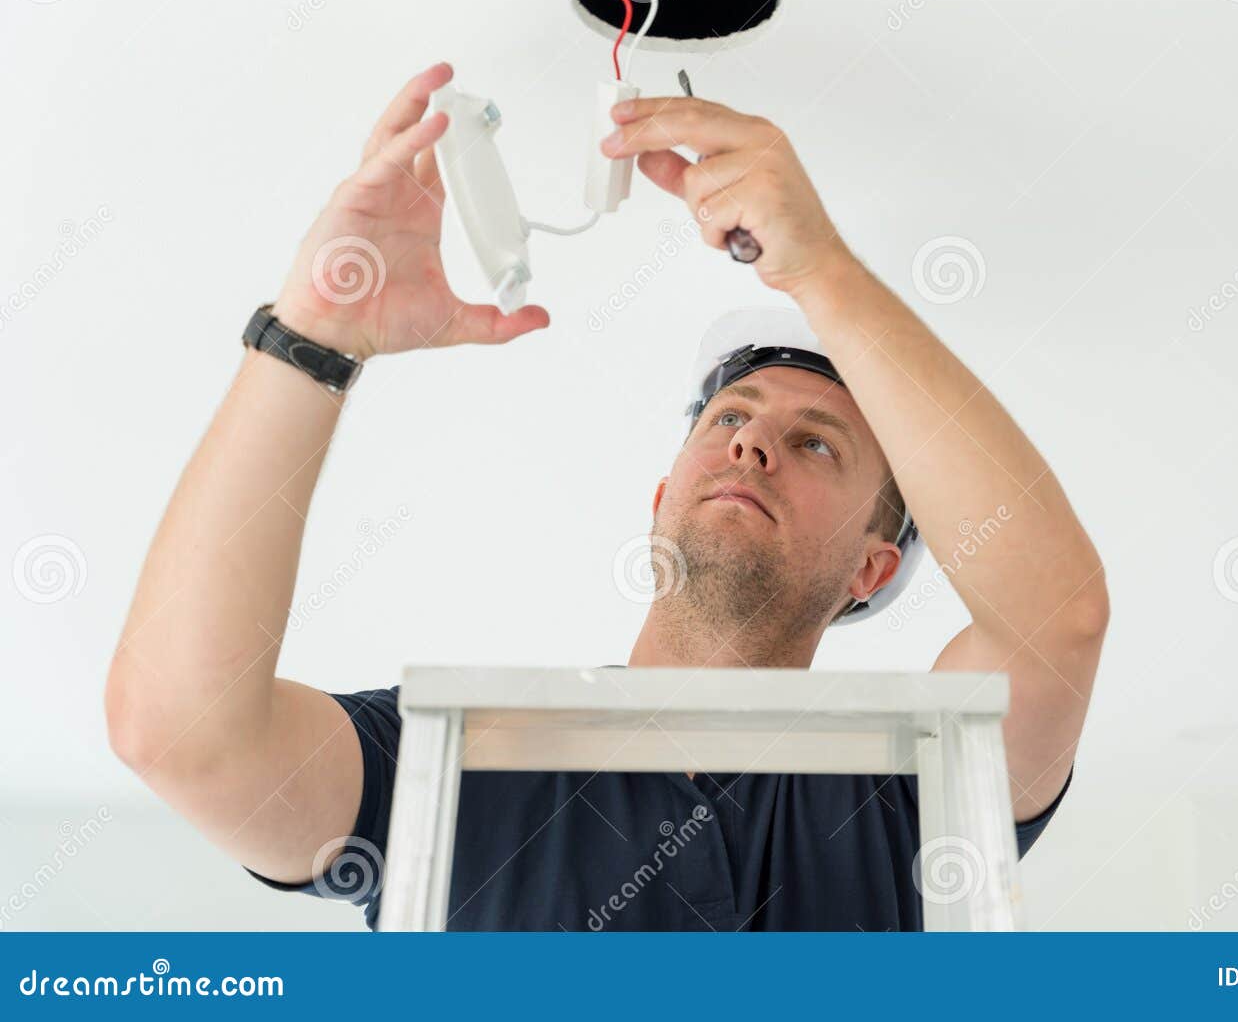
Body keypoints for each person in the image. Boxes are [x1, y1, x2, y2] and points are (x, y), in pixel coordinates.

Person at [105, 61, 1110, 931]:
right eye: (728, 417)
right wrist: (308, 339)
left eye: (814, 442)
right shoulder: (458, 762)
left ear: (872, 565)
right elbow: (185, 735)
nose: (753, 438)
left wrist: (824, 273)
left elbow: (1053, 622)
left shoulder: (910, 796)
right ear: (664, 493)